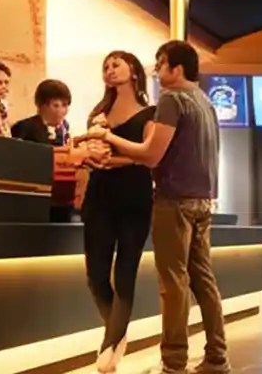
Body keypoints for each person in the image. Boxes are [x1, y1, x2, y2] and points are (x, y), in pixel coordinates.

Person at [87, 41, 229, 374]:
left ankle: (174, 362)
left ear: (176, 69)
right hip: (203, 201)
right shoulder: (206, 102)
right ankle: (217, 357)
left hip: (174, 201)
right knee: (203, 281)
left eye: (160, 63)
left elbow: (151, 154)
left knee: (173, 283)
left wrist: (107, 138)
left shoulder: (172, 100)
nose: (156, 70)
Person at [82, 52, 156, 373]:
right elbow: (91, 151)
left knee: (125, 272)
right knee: (96, 275)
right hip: (99, 194)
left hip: (134, 196)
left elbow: (148, 156)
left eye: (117, 65)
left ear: (134, 72)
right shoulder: (98, 113)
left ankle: (110, 342)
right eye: (106, 67)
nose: (110, 71)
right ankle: (119, 330)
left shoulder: (150, 113)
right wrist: (89, 155)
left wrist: (113, 159)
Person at [11, 79, 78, 222]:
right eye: (56, 105)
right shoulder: (25, 127)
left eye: (65, 105)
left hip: (62, 195)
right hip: (36, 196)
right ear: (42, 105)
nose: (61, 110)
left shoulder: (66, 129)